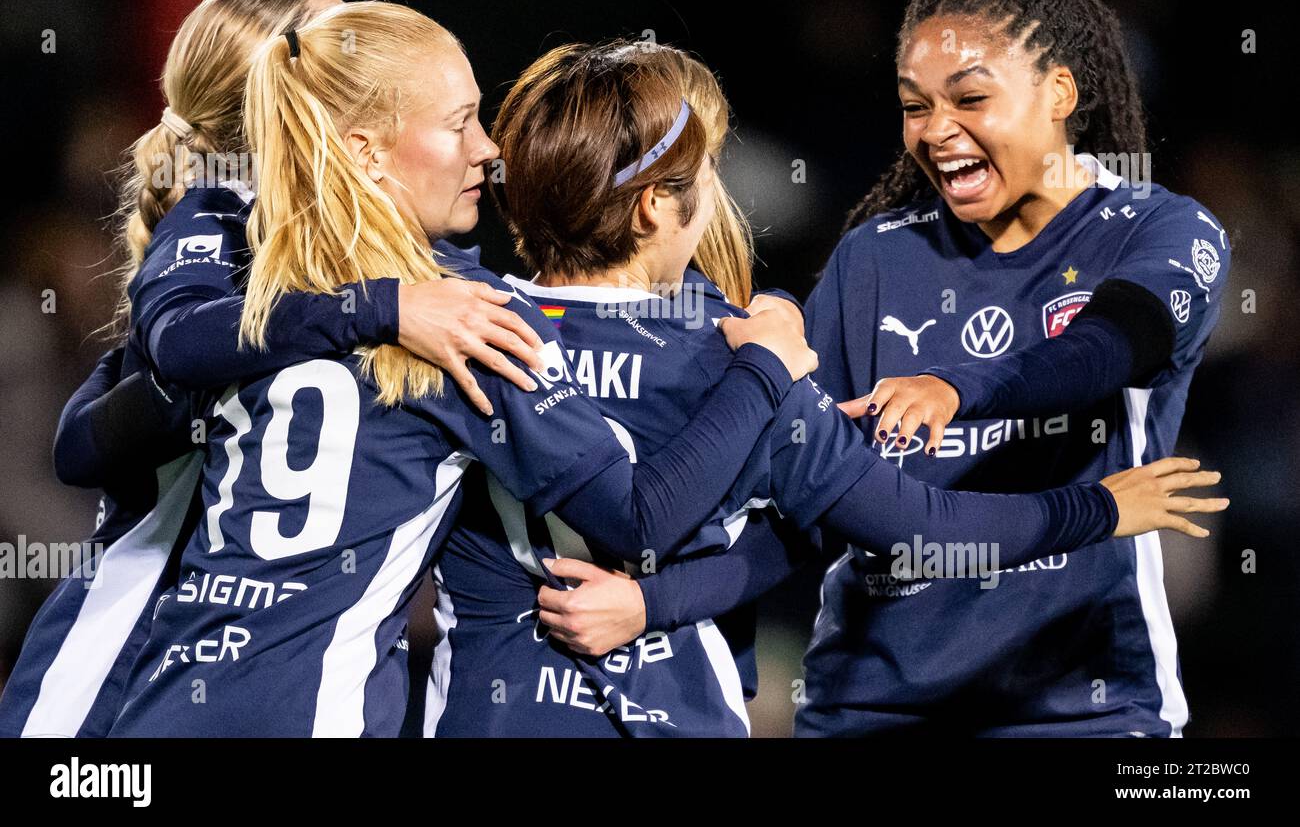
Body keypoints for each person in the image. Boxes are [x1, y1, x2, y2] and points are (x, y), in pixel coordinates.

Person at [424, 39, 1224, 737]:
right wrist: (1105, 507)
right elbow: (923, 529)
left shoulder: (451, 324)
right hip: (676, 715)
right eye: (704, 171)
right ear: (653, 205)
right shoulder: (744, 355)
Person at [107, 1, 815, 737]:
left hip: (161, 701)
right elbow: (640, 519)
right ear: (366, 151)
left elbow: (88, 438)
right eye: (461, 123)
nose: (487, 150)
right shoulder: (465, 319)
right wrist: (763, 364)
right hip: (314, 716)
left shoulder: (243, 278)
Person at [0, 0, 542, 738]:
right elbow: (92, 432)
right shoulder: (220, 222)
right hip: (122, 659)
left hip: (259, 679)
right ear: (279, 97)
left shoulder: (394, 254)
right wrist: (377, 308)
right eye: (332, 51)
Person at [798, 0, 1230, 737]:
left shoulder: (1159, 230)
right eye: (914, 106)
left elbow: (1104, 350)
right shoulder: (873, 258)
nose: (936, 132)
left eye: (969, 98)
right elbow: (798, 489)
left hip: (1077, 707)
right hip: (870, 708)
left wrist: (959, 388)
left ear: (1059, 92)